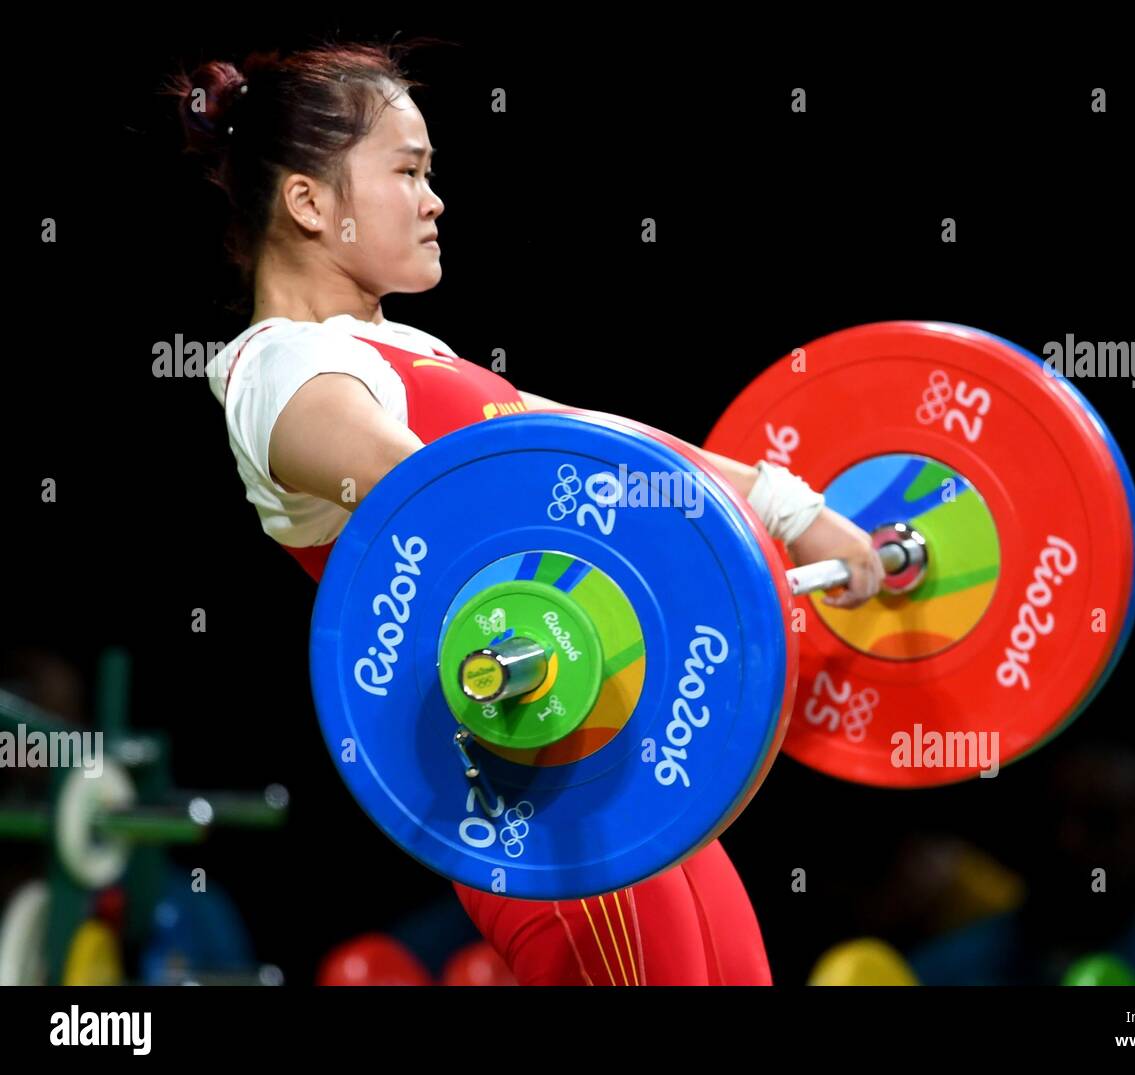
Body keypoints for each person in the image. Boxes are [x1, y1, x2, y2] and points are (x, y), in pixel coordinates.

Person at [174, 39, 884, 985]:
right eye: (409, 171)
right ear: (310, 204)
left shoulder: (400, 350)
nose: (434, 199)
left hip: (613, 769)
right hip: (542, 804)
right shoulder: (279, 371)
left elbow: (605, 444)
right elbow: (440, 503)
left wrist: (790, 506)